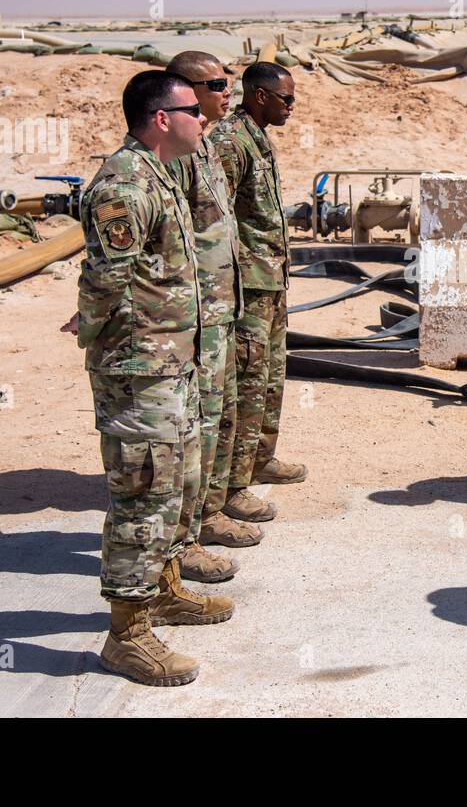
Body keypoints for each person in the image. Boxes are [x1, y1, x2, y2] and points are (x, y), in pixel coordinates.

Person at [75, 70, 232, 687]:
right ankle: (127, 634)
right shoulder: (124, 185)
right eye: (194, 109)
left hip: (172, 362)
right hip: (140, 373)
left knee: (179, 483)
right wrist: (103, 337)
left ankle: (162, 590)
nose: (205, 118)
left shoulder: (159, 174)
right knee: (144, 493)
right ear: (162, 118)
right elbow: (103, 282)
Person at [163, 51, 270, 566]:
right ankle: (188, 534)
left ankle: (211, 509)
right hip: (194, 313)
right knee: (197, 424)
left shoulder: (203, 145)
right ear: (182, 90)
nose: (230, 91)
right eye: (218, 84)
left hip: (224, 302)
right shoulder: (174, 153)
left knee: (222, 412)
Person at [210, 61, 307, 518]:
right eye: (286, 98)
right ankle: (232, 484)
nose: (292, 106)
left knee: (269, 377)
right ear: (260, 96)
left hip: (269, 281)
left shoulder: (256, 136)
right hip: (247, 286)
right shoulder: (229, 141)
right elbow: (214, 215)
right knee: (247, 384)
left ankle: (260, 459)